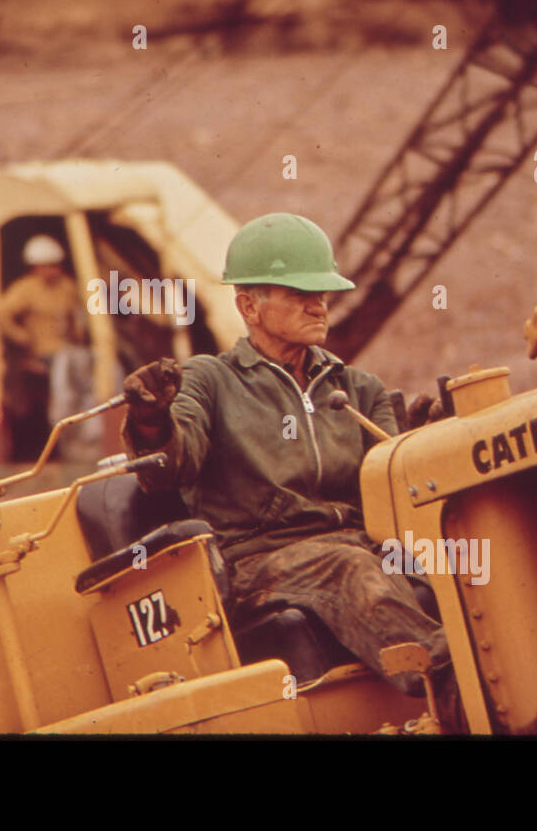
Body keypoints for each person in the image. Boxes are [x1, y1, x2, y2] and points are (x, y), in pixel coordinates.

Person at [121, 212, 462, 729]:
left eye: (322, 291)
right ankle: (457, 689)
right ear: (248, 305)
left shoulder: (359, 389)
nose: (317, 303)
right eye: (297, 291)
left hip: (356, 542)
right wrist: (151, 422)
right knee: (347, 567)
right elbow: (169, 467)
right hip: (258, 558)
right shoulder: (210, 381)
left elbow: (393, 488)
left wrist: (426, 444)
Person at [0, 235, 86, 460]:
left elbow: (77, 316)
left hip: (65, 354)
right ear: (35, 267)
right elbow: (1, 315)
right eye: (46, 266)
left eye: (55, 265)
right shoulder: (25, 289)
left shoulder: (67, 287)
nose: (51, 270)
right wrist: (22, 337)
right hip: (40, 356)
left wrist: (77, 337)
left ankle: (70, 452)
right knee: (35, 406)